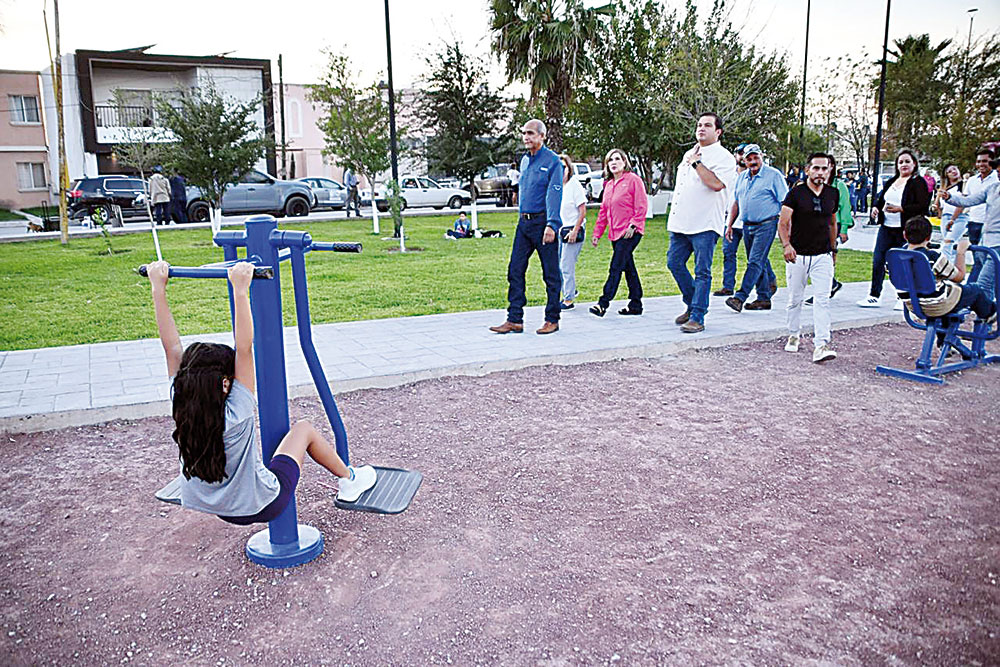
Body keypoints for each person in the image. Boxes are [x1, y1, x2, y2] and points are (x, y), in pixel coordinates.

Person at [145, 260, 378, 524]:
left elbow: (172, 349)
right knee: (304, 429)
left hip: (219, 508)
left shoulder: (180, 400)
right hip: (263, 506)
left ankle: (347, 478)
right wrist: (241, 290)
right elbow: (244, 348)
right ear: (225, 384)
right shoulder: (237, 410)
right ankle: (350, 480)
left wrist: (157, 288)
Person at [489, 119, 564, 335]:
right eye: (524, 133)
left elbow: (554, 195)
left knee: (550, 274)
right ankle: (514, 319)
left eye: (531, 133)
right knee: (515, 269)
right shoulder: (524, 161)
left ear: (542, 136)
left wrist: (552, 225)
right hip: (524, 223)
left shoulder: (553, 162)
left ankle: (552, 319)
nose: (526, 137)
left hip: (543, 223)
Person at [666, 112, 736, 333]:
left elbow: (716, 184)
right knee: (674, 263)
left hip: (705, 223)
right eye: (699, 125)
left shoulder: (724, 157)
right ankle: (692, 302)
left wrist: (697, 164)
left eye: (707, 125)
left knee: (702, 271)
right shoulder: (689, 153)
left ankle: (698, 316)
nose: (701, 128)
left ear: (718, 131)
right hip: (680, 222)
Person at [778, 153, 839, 363]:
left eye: (824, 168)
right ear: (808, 170)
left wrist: (833, 249)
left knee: (822, 300)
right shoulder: (796, 193)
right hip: (798, 255)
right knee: (795, 299)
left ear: (829, 171)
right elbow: (783, 222)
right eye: (816, 168)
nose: (820, 172)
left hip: (823, 255)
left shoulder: (832, 194)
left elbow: (832, 222)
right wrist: (787, 245)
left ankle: (821, 345)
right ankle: (793, 334)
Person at [857, 149, 930, 308]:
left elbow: (923, 205)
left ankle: (904, 297)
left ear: (914, 164)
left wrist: (901, 209)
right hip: (887, 227)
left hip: (905, 230)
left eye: (907, 161)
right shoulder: (892, 181)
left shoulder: (918, 182)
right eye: (901, 162)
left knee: (903, 263)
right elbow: (881, 199)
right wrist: (876, 208)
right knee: (878, 260)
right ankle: (874, 295)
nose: (904, 165)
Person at [897, 215, 995, 326]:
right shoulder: (932, 257)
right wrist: (960, 252)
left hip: (912, 305)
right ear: (929, 237)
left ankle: (943, 335)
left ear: (904, 235)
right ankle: (990, 315)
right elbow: (959, 277)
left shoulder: (895, 256)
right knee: (975, 289)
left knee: (947, 291)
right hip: (938, 305)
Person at [724, 143, 784, 313]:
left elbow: (785, 201)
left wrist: (786, 227)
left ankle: (740, 297)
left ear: (761, 157)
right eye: (749, 159)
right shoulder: (741, 177)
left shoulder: (773, 175)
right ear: (744, 161)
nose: (753, 161)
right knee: (759, 262)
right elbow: (736, 202)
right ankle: (763, 298)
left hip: (767, 224)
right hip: (747, 225)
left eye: (755, 157)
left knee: (755, 261)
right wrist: (729, 224)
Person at [589, 148, 647, 317]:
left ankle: (603, 304)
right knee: (628, 268)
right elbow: (603, 212)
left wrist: (633, 225)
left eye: (617, 159)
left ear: (624, 162)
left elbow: (641, 205)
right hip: (615, 233)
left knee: (616, 267)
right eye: (610, 160)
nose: (613, 163)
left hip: (630, 232)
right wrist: (597, 233)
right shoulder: (608, 185)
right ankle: (636, 304)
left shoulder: (633, 180)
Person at [939, 167, 1000, 300]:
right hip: (986, 240)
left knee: (984, 283)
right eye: (998, 172)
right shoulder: (993, 188)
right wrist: (950, 197)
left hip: (997, 244)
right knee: (992, 282)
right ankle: (991, 310)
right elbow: (969, 200)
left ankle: (984, 312)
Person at [714, 143, 748, 297]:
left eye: (745, 154)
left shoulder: (754, 175)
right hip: (730, 222)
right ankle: (728, 286)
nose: (742, 157)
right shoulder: (730, 173)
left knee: (755, 256)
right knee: (728, 253)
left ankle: (769, 282)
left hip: (749, 221)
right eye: (740, 153)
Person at [556, 153, 588, 310]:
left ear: (569, 168)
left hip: (573, 230)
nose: (561, 170)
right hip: (559, 231)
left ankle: (568, 299)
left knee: (566, 266)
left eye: (564, 167)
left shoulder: (574, 185)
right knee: (557, 265)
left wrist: (575, 230)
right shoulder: (555, 187)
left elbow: (582, 211)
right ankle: (570, 289)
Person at [965, 149, 998, 279]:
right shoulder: (972, 180)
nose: (981, 164)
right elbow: (967, 200)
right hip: (974, 223)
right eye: (978, 161)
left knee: (989, 264)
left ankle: (977, 287)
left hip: (990, 228)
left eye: (984, 161)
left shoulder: (996, 179)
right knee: (978, 261)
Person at [938, 164, 968, 265]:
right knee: (951, 245)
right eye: (949, 171)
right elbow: (939, 206)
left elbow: (963, 202)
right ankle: (953, 268)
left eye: (954, 169)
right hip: (945, 216)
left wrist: (953, 219)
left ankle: (944, 267)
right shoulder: (945, 188)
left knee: (948, 243)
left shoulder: (963, 185)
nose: (953, 172)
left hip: (959, 217)